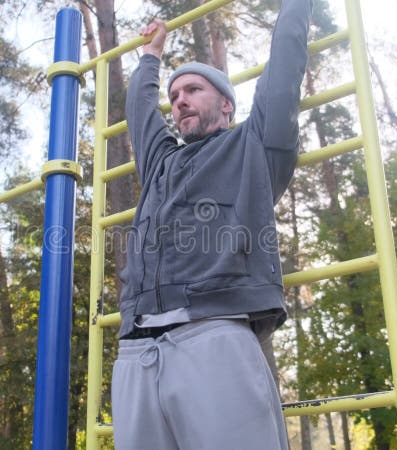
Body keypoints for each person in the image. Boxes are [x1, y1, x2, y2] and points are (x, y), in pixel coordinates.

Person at [111, 1, 312, 448]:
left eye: (193, 90)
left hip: (213, 333)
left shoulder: (253, 146)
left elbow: (282, 75)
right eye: (175, 94)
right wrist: (151, 56)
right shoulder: (162, 162)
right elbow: (141, 115)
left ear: (226, 104)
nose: (179, 99)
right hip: (136, 348)